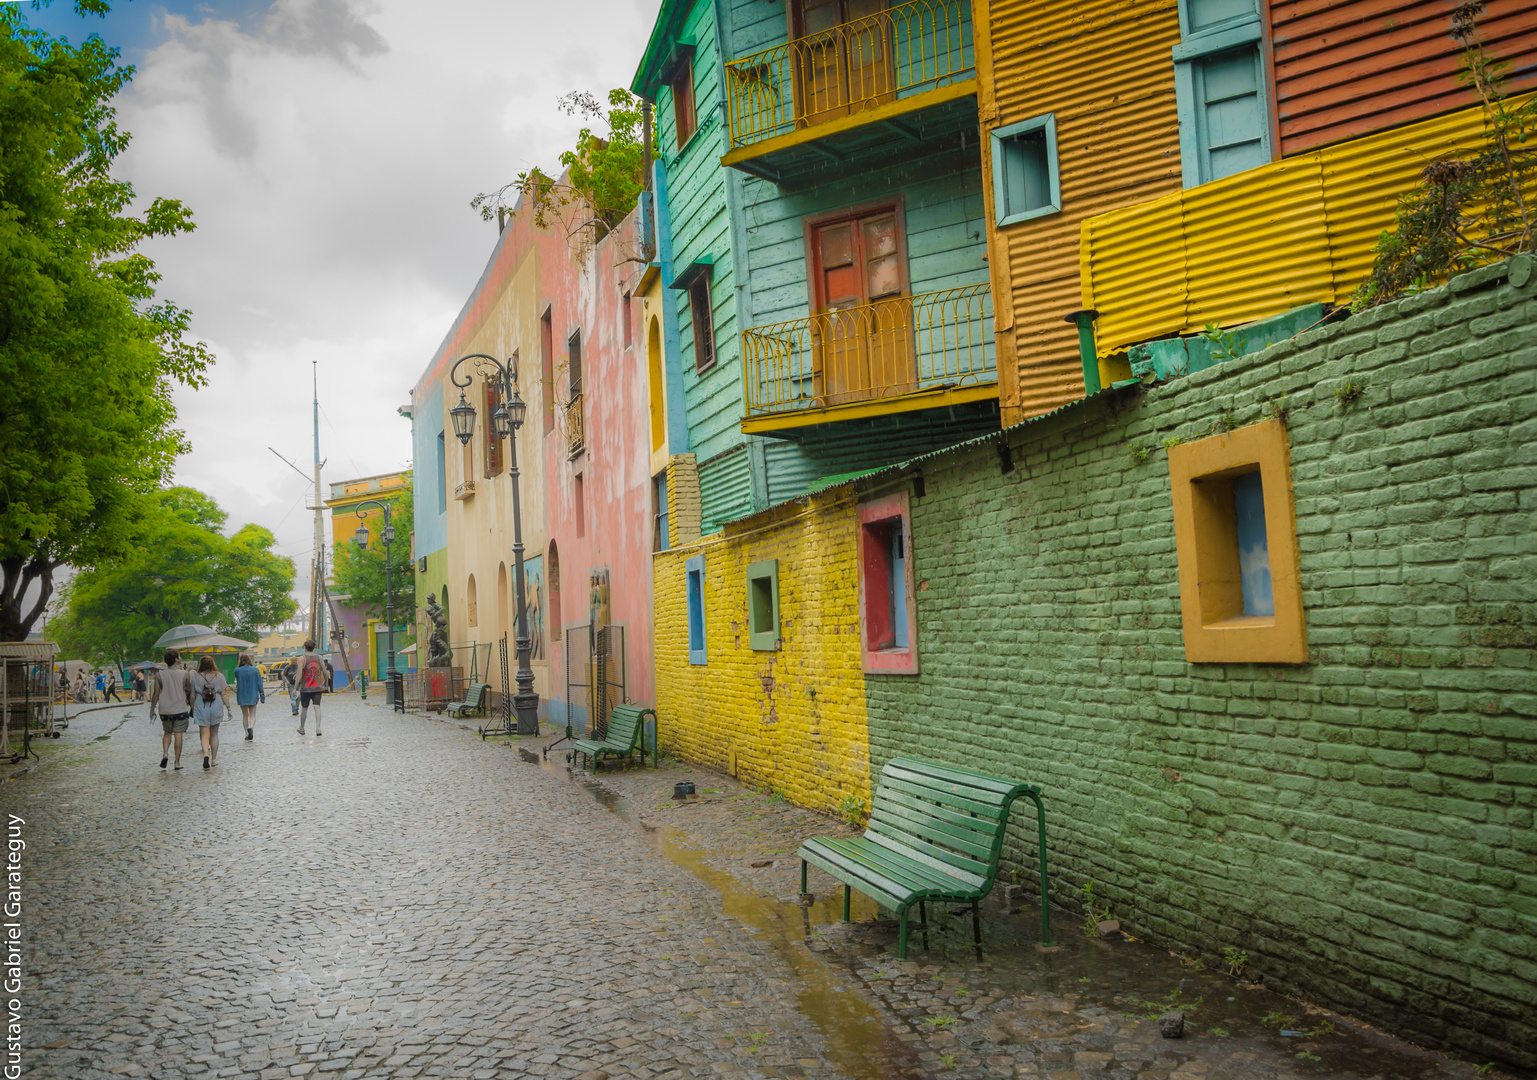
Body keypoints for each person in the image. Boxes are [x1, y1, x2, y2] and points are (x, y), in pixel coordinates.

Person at [149, 650, 195, 770]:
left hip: (165, 709)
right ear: (175, 659)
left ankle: (165, 754)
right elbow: (189, 689)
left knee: (167, 732)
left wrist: (152, 709)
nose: (180, 658)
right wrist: (189, 671)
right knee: (178, 735)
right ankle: (177, 762)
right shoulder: (184, 674)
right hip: (179, 708)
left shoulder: (159, 675)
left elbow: (155, 694)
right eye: (179, 656)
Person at [190, 655, 231, 770]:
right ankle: (214, 759)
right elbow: (224, 694)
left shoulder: (195, 676)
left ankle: (205, 754)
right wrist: (228, 709)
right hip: (216, 704)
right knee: (215, 733)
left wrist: (193, 709)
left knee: (204, 733)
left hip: (200, 704)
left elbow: (192, 696)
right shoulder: (220, 676)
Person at [293, 640, 325, 736]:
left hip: (305, 687)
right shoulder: (319, 657)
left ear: (305, 647)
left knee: (304, 708)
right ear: (314, 647)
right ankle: (318, 728)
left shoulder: (301, 658)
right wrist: (326, 682)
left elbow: (299, 674)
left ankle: (302, 728)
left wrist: (295, 688)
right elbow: (325, 671)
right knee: (317, 707)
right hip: (318, 687)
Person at [233, 653, 265, 741]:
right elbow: (259, 684)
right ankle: (251, 727)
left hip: (241, 694)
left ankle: (246, 733)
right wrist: (262, 696)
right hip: (253, 694)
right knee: (252, 714)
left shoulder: (237, 670)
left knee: (244, 715)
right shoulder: (255, 670)